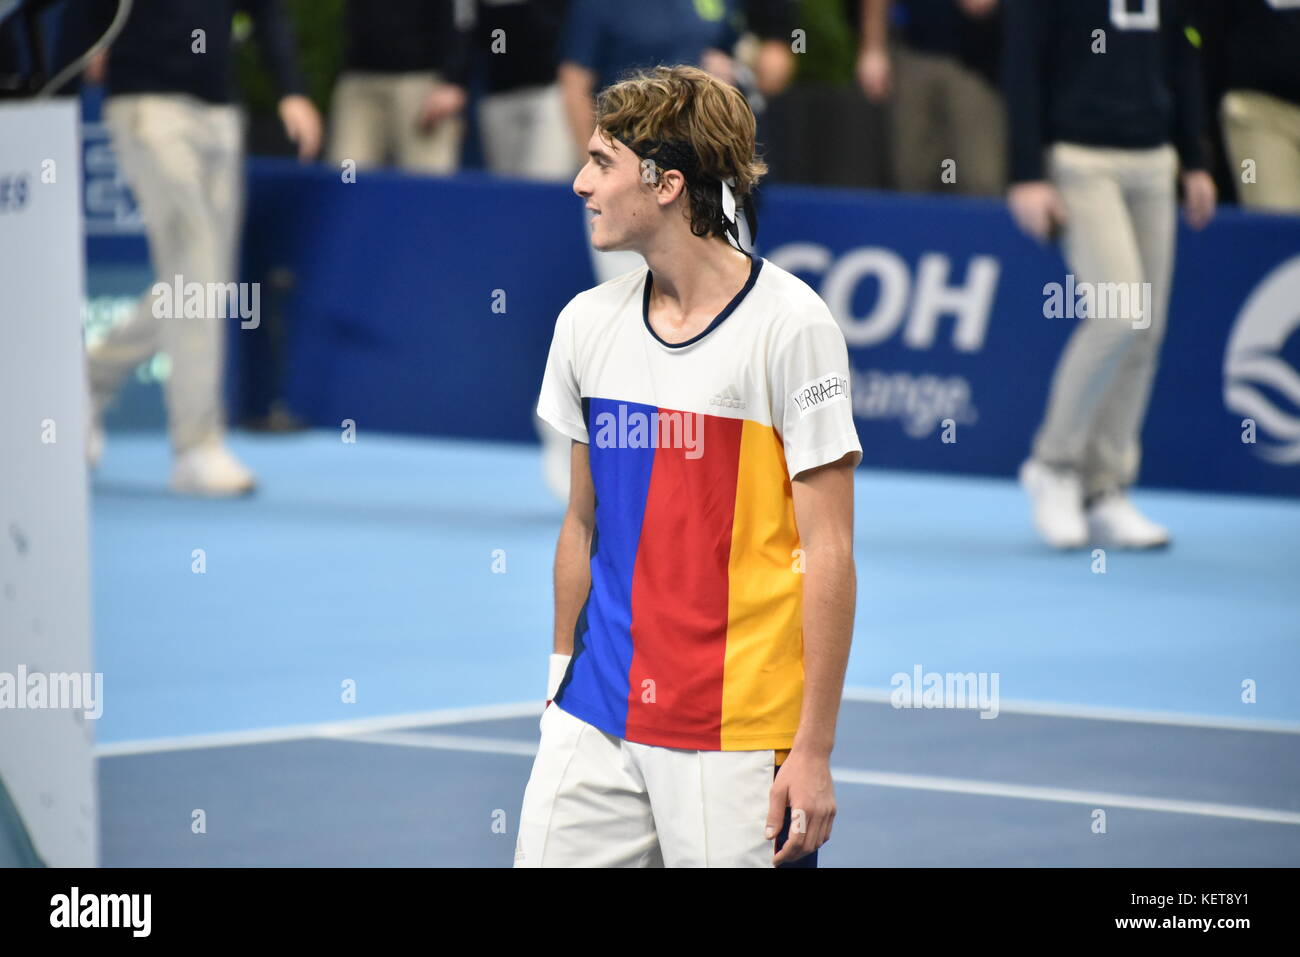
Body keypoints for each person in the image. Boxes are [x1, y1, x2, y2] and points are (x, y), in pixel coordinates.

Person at [516, 65, 862, 868]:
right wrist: (560, 677)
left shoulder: (793, 326)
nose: (580, 182)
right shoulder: (585, 324)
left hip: (734, 732)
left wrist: (812, 747)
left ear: (666, 184)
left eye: (601, 162)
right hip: (595, 713)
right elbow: (581, 523)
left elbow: (830, 550)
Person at [79, 0, 321, 496]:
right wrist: (86, 45)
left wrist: (292, 89)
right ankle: (195, 447)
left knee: (205, 285)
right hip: (147, 104)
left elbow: (266, 10)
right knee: (196, 278)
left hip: (219, 109)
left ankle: (87, 378)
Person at [1003, 0, 1216, 549]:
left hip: (1154, 160)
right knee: (1119, 315)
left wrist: (1195, 158)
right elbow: (1021, 61)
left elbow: (1184, 53)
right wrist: (1025, 171)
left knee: (1145, 332)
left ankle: (1103, 488)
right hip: (1080, 159)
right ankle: (1053, 465)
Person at [328, 0, 472, 174]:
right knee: (347, 176)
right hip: (359, 80)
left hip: (422, 84)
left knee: (426, 182)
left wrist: (454, 79)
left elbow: (463, 16)